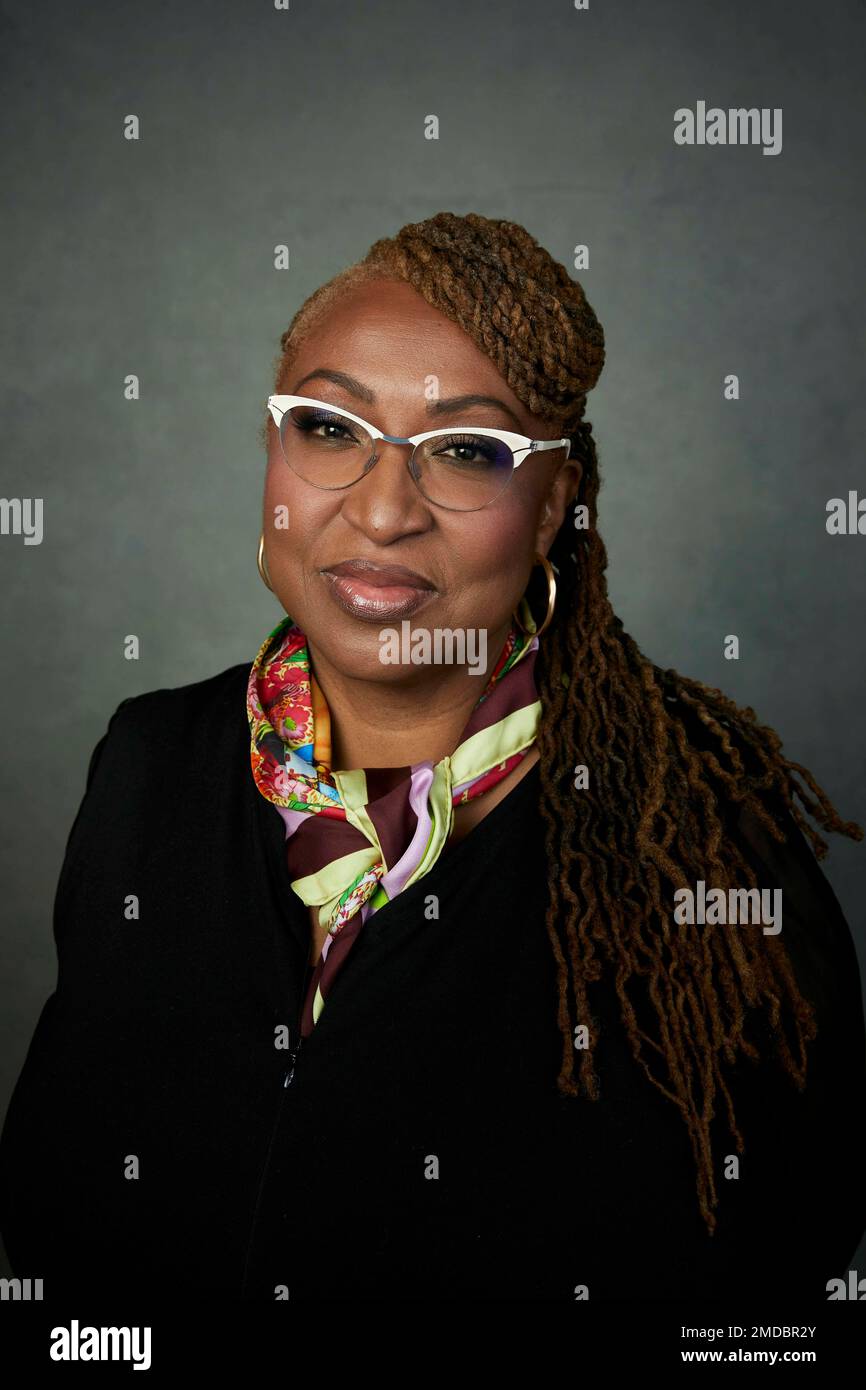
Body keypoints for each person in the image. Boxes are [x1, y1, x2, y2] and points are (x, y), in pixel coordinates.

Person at [2, 211, 864, 1302]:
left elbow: (774, 1274)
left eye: (465, 450)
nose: (379, 507)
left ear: (554, 503)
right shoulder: (146, 763)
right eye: (327, 428)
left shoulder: (699, 832)